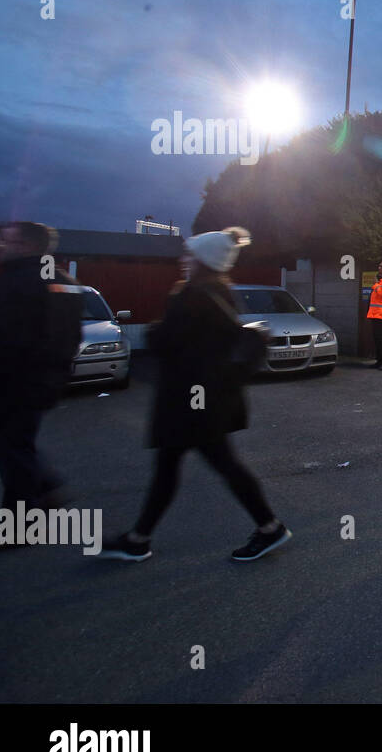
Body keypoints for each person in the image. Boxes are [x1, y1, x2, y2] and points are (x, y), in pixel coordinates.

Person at [99, 227, 291, 563]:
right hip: (199, 398)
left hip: (194, 401)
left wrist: (156, 331)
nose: (184, 259)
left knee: (209, 465)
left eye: (190, 254)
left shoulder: (198, 295)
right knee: (177, 466)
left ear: (203, 260)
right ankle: (138, 537)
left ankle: (268, 526)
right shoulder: (212, 290)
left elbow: (173, 342)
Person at [0, 222, 82, 513]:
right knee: (15, 443)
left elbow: (10, 338)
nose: (3, 247)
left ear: (28, 246)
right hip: (47, 379)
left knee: (14, 449)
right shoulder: (66, 283)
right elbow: (74, 334)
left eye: (9, 242)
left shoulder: (17, 282)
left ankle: (20, 524)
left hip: (16, 381)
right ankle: (48, 487)